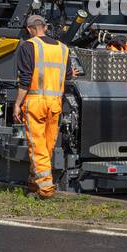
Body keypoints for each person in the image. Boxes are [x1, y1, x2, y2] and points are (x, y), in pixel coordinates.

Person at [13, 14, 75, 198]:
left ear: (29, 29)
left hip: (35, 102)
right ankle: (34, 183)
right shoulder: (64, 49)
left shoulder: (28, 46)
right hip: (55, 103)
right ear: (45, 28)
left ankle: (46, 190)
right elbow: (69, 78)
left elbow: (25, 79)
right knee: (47, 146)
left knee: (37, 145)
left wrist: (17, 104)